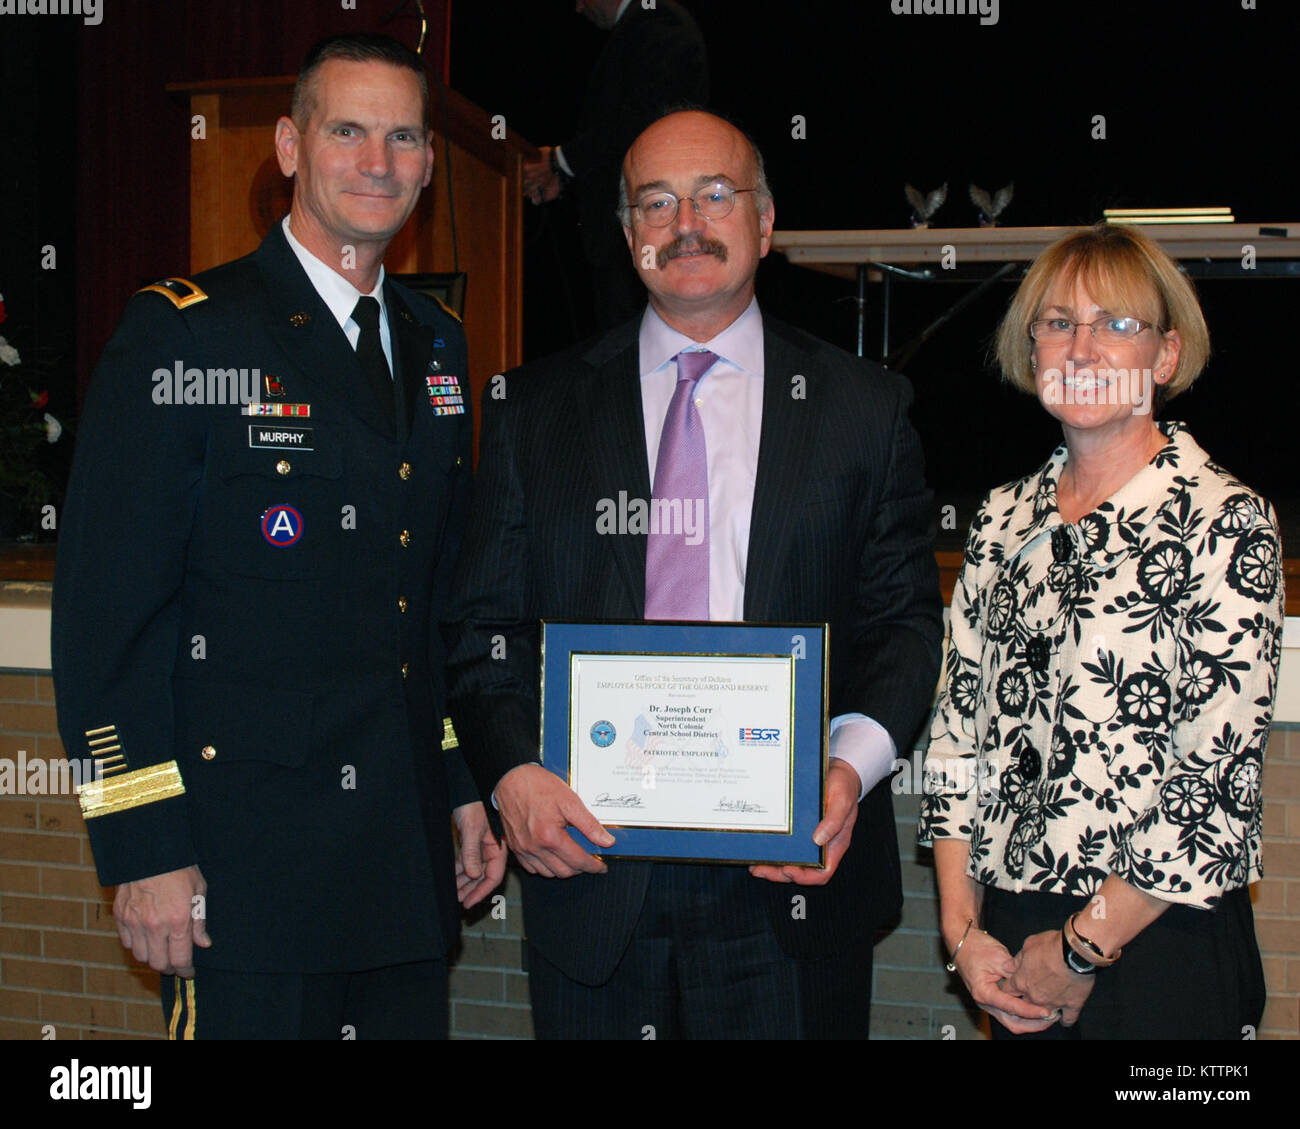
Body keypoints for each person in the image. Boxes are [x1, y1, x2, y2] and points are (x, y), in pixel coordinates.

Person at [445, 109, 943, 1038]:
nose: (687, 225)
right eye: (656, 202)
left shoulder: (862, 408)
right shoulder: (532, 409)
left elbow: (905, 625)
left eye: (716, 195)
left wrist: (845, 772)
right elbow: (480, 629)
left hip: (793, 887)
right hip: (592, 879)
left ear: (764, 221)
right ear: (627, 232)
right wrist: (510, 770)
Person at [51, 33, 505, 1040]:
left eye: (401, 136)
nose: (378, 161)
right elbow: (106, 622)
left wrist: (463, 780)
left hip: (399, 864)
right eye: (347, 131)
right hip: (239, 869)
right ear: (290, 148)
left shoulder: (438, 344)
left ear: (430, 162)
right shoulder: (189, 332)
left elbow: (427, 605)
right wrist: (140, 843)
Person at [919, 224, 1284, 1039]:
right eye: (1058, 322)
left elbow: (1215, 779)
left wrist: (1084, 949)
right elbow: (954, 738)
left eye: (1117, 324)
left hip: (1162, 938)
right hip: (1010, 936)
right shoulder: (1000, 519)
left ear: (1164, 356)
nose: (1082, 348)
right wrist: (961, 928)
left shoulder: (1226, 520)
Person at [522, 0, 709, 330]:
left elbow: (644, 123)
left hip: (641, 230)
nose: (578, 7)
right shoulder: (640, 25)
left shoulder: (658, 21)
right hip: (622, 234)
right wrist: (563, 174)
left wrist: (560, 160)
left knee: (635, 345)